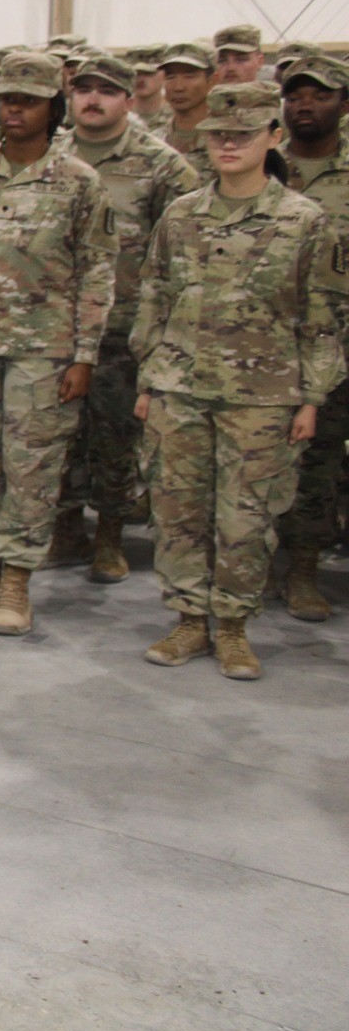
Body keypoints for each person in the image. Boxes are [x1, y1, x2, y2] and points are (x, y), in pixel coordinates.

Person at [134, 81, 346, 678]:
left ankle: (231, 626)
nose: (228, 144)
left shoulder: (305, 221)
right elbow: (154, 297)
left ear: (273, 138)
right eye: (218, 135)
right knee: (178, 512)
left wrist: (312, 397)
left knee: (246, 518)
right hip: (181, 387)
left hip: (265, 397)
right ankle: (187, 621)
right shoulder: (181, 215)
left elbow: (323, 315)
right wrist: (149, 381)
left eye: (243, 134)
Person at [0, 51, 117, 636]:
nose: (14, 109)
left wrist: (84, 355)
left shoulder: (79, 182)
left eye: (28, 100)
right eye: (7, 98)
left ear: (52, 109)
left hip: (44, 350)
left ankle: (17, 585)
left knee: (32, 467)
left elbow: (97, 272)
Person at [53, 51, 198, 581]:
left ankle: (110, 537)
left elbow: (181, 255)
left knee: (115, 438)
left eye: (107, 91)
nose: (92, 100)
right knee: (57, 437)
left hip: (123, 328)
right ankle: (64, 528)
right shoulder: (51, 154)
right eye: (84, 90)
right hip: (54, 326)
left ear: (129, 100)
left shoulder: (162, 165)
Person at [275, 53, 349, 621]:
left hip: (337, 347)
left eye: (320, 95)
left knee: (320, 459)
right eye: (296, 94)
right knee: (253, 459)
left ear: (343, 105)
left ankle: (303, 567)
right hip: (260, 347)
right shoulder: (259, 166)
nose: (305, 104)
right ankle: (252, 564)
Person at [160, 41, 216, 177]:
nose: (178, 87)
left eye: (189, 76)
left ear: (212, 81)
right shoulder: (153, 142)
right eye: (170, 77)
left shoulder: (225, 143)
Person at [128, 45, 174, 139]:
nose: (140, 79)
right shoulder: (119, 115)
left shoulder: (175, 116)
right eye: (136, 73)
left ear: (165, 75)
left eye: (148, 73)